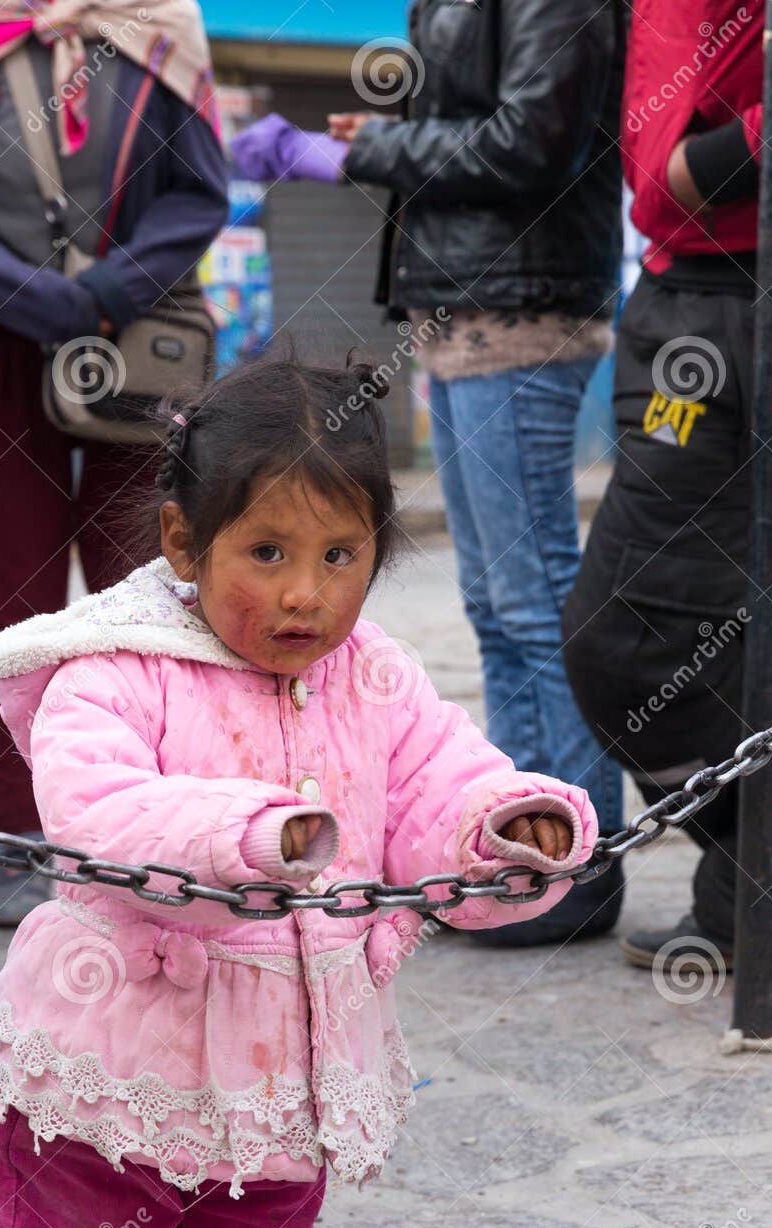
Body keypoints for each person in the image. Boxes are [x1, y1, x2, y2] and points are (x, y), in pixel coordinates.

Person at [0, 353, 599, 1228]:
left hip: (276, 1067)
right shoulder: (114, 667)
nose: (305, 593)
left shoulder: (373, 677)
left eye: (338, 556)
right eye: (267, 553)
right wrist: (253, 834)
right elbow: (95, 813)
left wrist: (505, 825)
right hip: (109, 1053)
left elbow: (438, 782)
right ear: (184, 543)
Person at [233, 1, 627, 948]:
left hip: (522, 302)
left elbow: (527, 141)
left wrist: (373, 148)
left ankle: (576, 863)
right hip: (460, 299)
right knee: (496, 605)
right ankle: (513, 847)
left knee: (532, 600)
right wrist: (387, 139)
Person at [0, 0, 228, 927]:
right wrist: (45, 301)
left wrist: (109, 292)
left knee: (145, 593)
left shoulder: (161, 30)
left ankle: (142, 827)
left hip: (137, 340)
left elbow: (200, 193)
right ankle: (24, 839)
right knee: (8, 605)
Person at [562, 0, 761, 974]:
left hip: (720, 289)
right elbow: (658, 187)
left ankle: (737, 902)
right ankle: (750, 870)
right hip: (685, 301)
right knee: (618, 643)